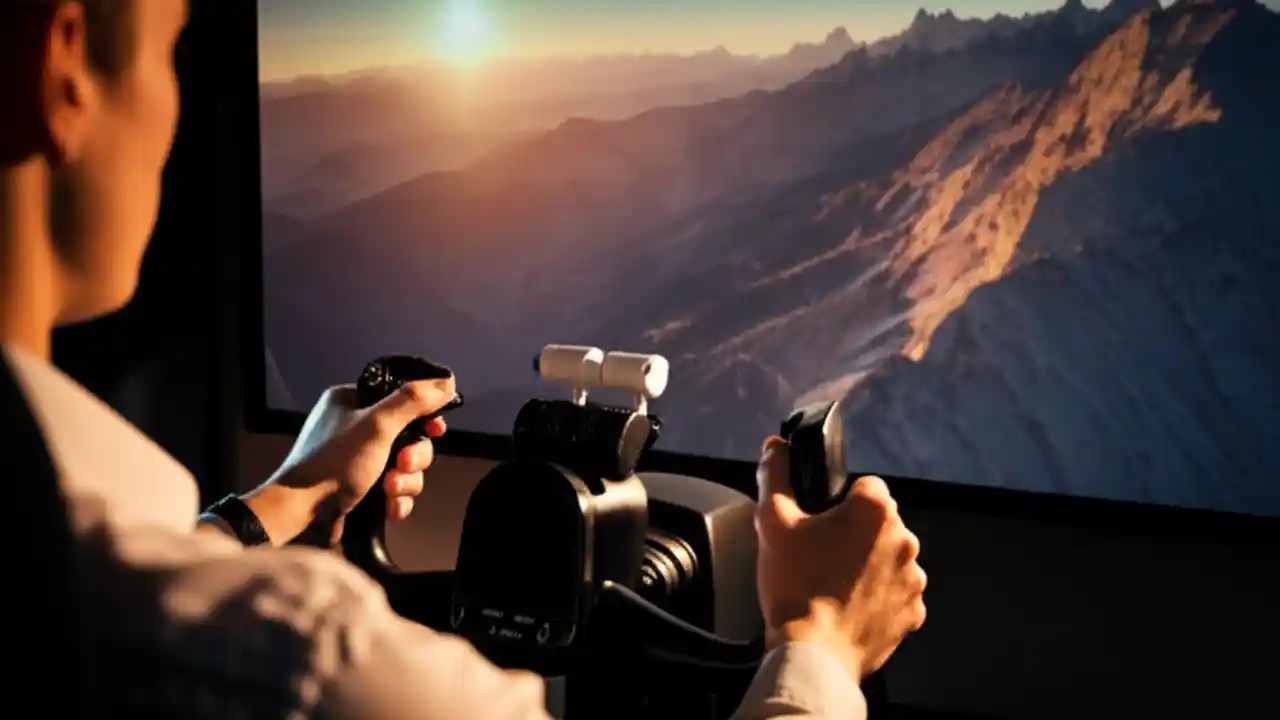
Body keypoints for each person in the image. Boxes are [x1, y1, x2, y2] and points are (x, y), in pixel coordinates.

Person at [0, 0, 928, 717]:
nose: (172, 109)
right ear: (64, 62)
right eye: (174, 49)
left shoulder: (89, 586)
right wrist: (820, 645)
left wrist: (285, 501)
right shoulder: (319, 675)